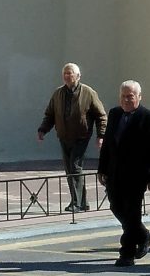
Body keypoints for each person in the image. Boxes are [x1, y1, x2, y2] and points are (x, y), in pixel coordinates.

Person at [97, 81, 150, 266]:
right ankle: (143, 234)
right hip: (114, 173)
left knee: (132, 212)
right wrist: (102, 168)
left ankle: (126, 252)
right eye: (123, 96)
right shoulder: (115, 113)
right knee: (116, 207)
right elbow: (108, 144)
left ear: (139, 97)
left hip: (137, 175)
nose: (126, 100)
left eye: (130, 96)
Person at [37, 62, 108, 212]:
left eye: (70, 73)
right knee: (70, 168)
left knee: (75, 167)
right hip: (64, 136)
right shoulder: (58, 94)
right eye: (65, 74)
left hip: (81, 136)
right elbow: (50, 114)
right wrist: (43, 130)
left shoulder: (88, 92)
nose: (67, 76)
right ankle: (83, 202)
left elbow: (101, 115)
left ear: (78, 76)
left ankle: (76, 203)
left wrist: (101, 135)